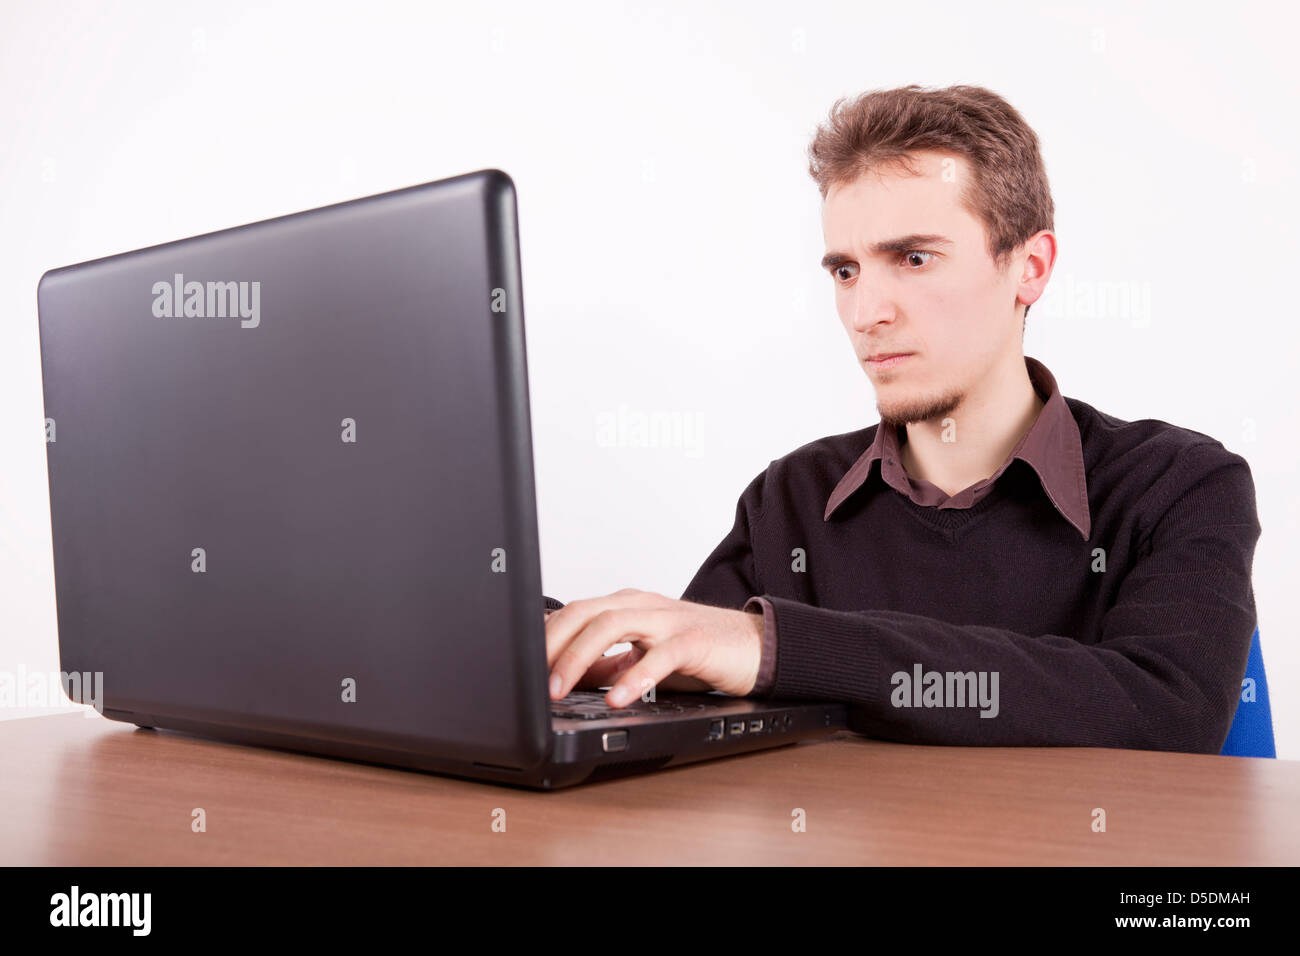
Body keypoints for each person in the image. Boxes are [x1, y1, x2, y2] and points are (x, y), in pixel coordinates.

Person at [541, 84, 1261, 753]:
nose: (866, 312)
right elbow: (694, 670)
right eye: (846, 271)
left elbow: (1167, 709)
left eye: (914, 258)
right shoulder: (790, 497)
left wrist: (780, 647)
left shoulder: (1180, 485)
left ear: (1029, 267)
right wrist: (555, 638)